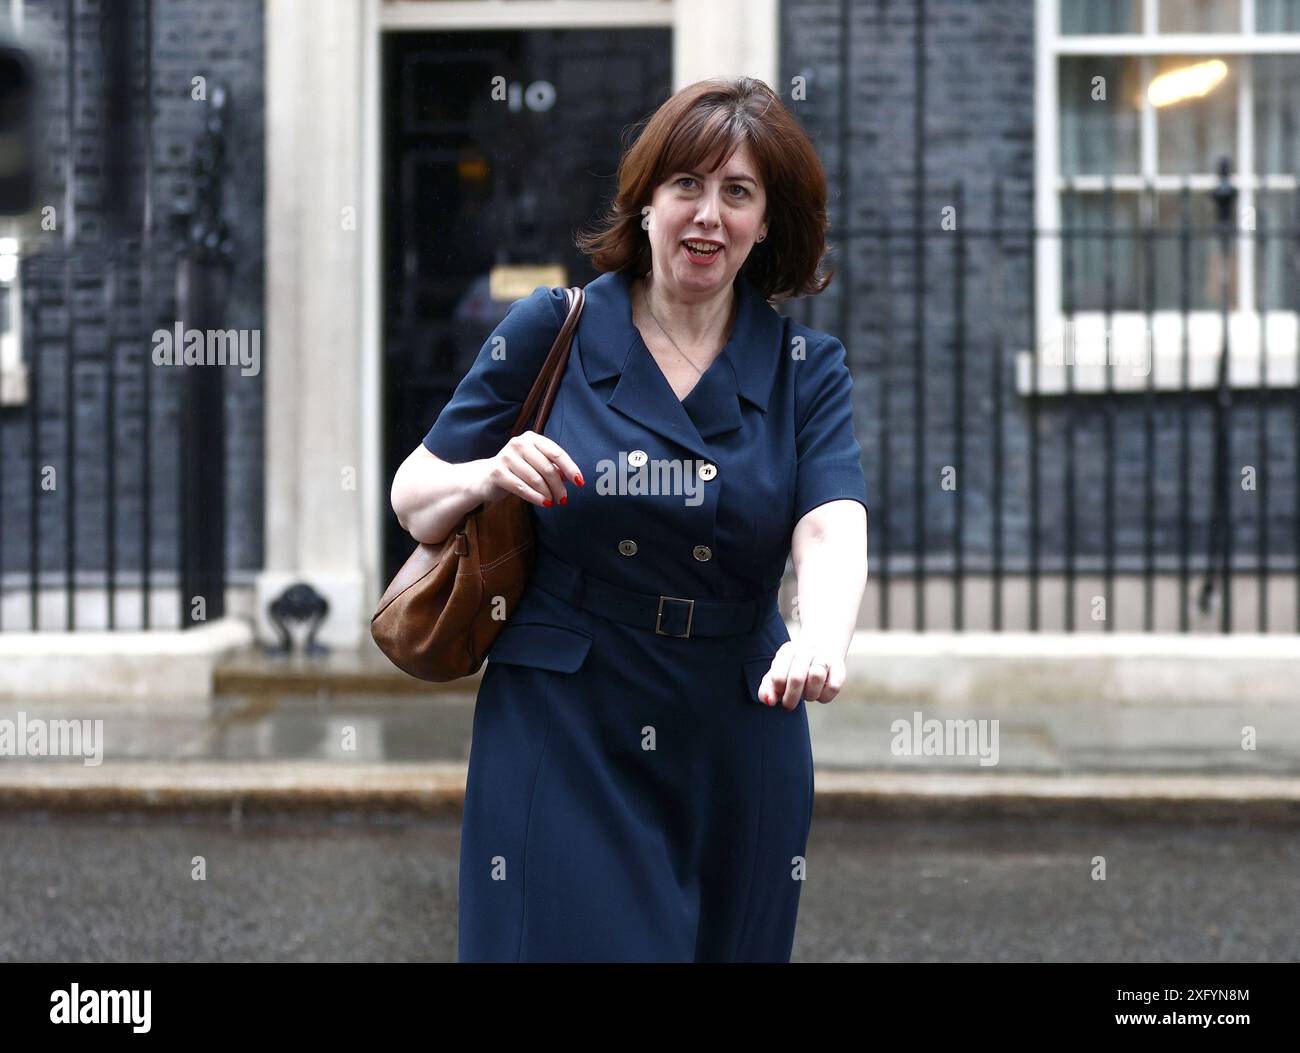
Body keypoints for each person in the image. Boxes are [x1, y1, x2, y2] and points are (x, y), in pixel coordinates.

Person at [389, 76, 869, 962]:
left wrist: (821, 635)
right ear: (646, 200)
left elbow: (831, 521)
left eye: (738, 192)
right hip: (566, 716)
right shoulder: (552, 327)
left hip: (741, 722)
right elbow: (413, 492)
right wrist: (488, 472)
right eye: (687, 184)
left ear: (766, 223)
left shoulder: (806, 367)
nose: (708, 215)